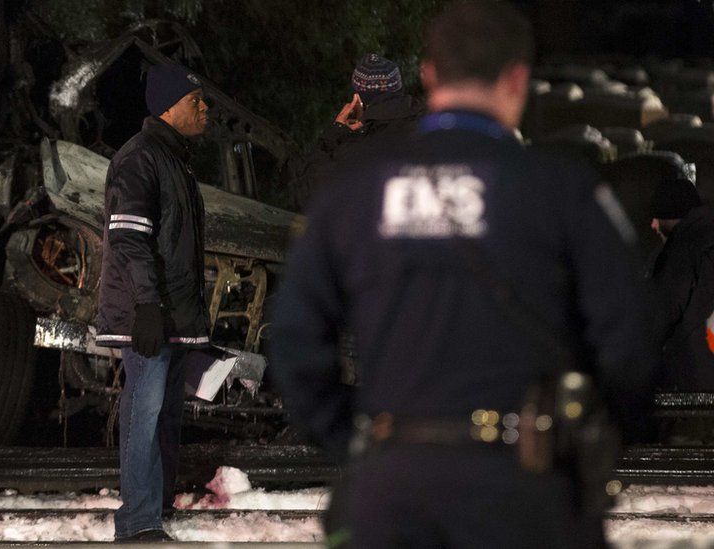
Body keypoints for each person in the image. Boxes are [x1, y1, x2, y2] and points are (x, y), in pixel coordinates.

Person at [267, 2, 654, 547]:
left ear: (429, 74)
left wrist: (352, 441)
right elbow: (631, 340)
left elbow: (293, 341)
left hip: (391, 490)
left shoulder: (354, 190)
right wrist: (586, 447)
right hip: (524, 489)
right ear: (517, 78)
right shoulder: (562, 189)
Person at [95, 63, 210, 543]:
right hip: (149, 313)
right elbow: (129, 239)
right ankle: (139, 522)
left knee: (163, 413)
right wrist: (147, 306)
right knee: (144, 411)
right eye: (195, 101)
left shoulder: (173, 159)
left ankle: (155, 508)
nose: (205, 110)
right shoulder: (140, 158)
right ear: (168, 107)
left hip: (171, 312)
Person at [287, 53, 421, 210]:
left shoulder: (358, 149)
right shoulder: (432, 122)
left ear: (358, 99)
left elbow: (305, 193)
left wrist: (336, 131)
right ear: (398, 87)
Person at [647, 162, 714, 390]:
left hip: (700, 380)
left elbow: (663, 310)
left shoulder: (683, 247)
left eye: (658, 216)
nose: (653, 225)